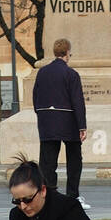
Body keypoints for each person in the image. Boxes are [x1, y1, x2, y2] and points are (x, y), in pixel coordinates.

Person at [32, 39, 87, 202]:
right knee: (74, 160)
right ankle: (72, 195)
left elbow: (35, 96)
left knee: (47, 161)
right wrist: (81, 125)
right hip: (68, 119)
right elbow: (77, 101)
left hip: (46, 119)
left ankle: (49, 195)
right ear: (67, 52)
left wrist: (41, 115)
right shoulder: (71, 74)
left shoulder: (42, 72)